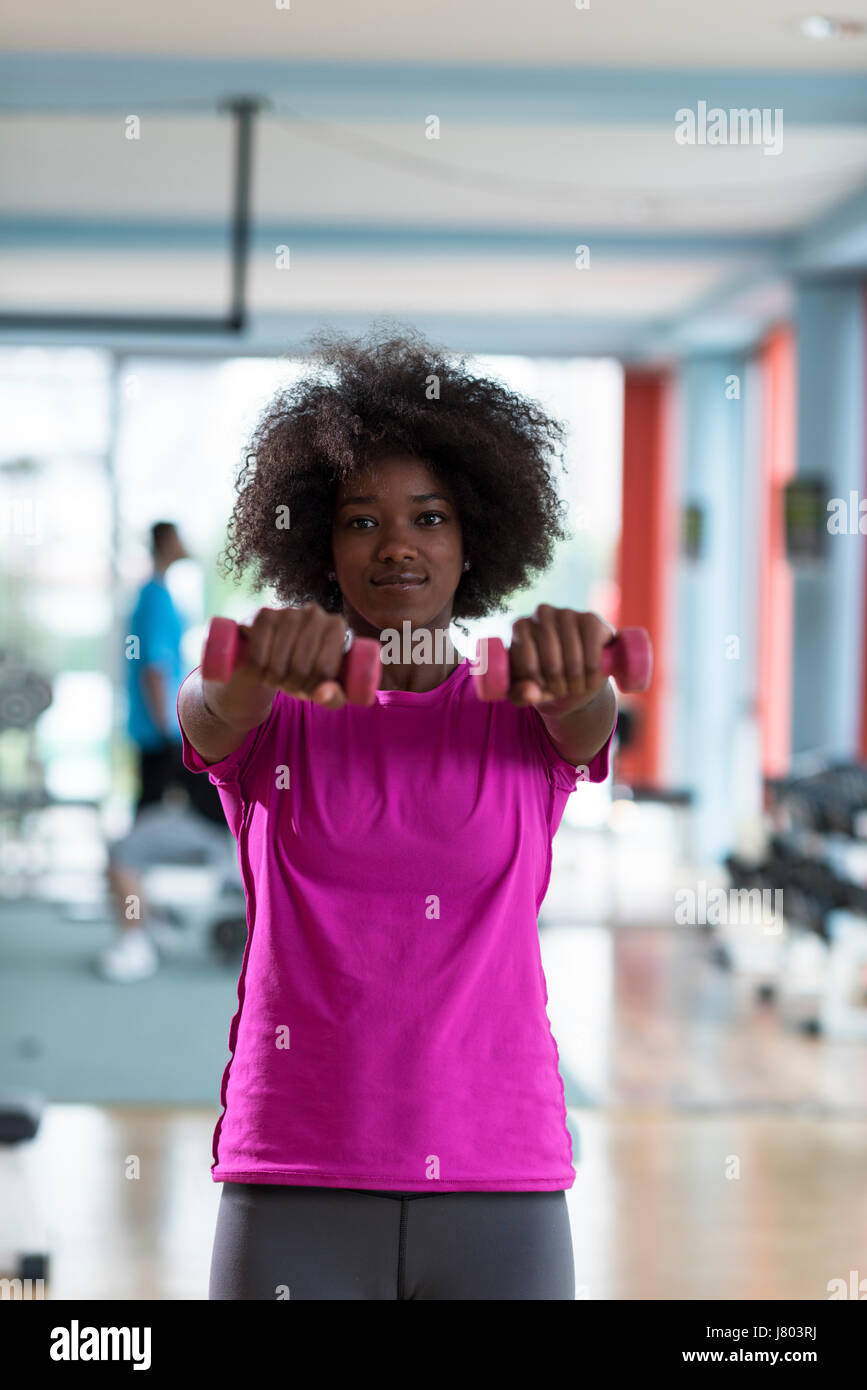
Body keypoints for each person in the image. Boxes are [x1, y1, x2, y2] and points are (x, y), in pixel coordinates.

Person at [178, 323, 619, 1300]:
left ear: (474, 542)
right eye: (362, 521)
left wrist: (581, 677)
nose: (399, 547)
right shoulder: (272, 717)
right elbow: (207, 711)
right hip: (295, 1168)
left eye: (429, 517)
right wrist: (253, 668)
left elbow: (590, 721)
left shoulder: (523, 712)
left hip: (499, 1177)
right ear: (323, 548)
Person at [97, 522, 228, 982]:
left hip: (165, 735)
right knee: (137, 841)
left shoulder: (161, 596)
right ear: (165, 544)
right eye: (179, 538)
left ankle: (148, 922)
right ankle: (142, 927)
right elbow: (154, 668)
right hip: (160, 738)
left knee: (140, 838)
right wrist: (172, 732)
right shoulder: (155, 596)